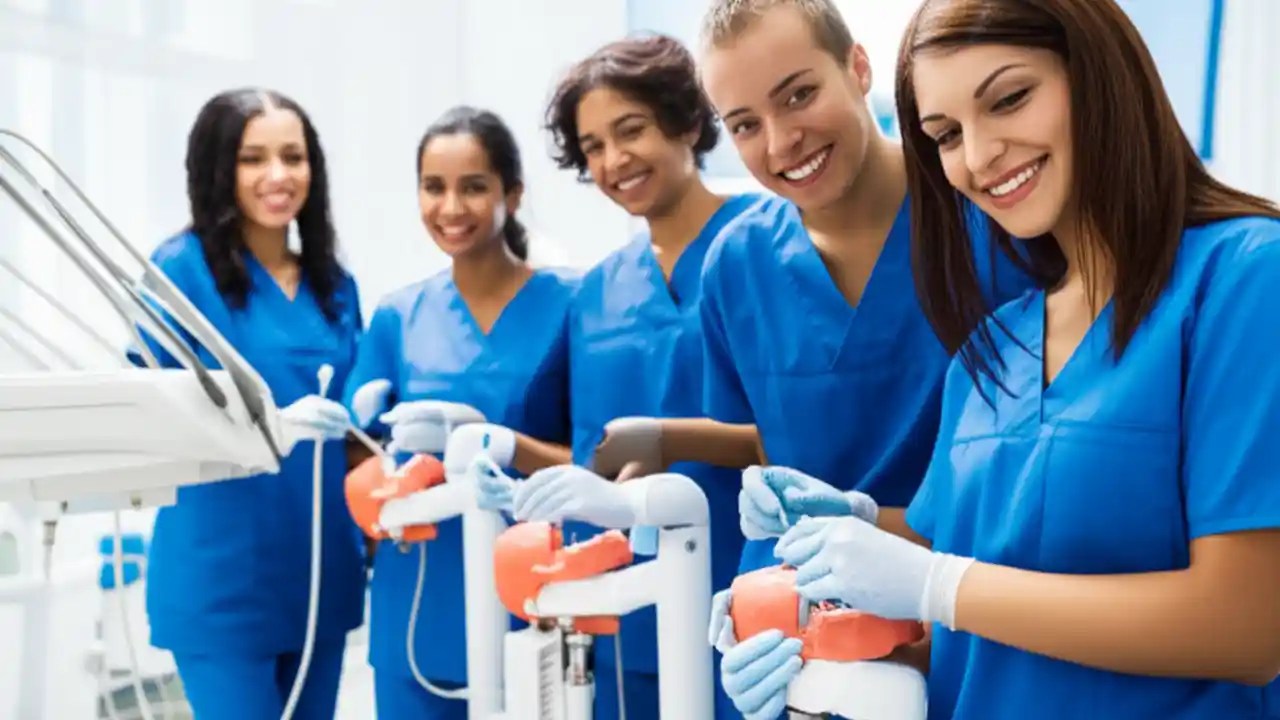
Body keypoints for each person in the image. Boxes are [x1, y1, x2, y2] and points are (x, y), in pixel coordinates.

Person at [715, 1, 1280, 719]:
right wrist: (801, 645)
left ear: (1100, 72)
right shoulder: (992, 351)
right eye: (945, 135)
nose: (979, 158)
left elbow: (1245, 626)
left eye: (1010, 98)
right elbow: (965, 637)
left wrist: (936, 584)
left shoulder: (1244, 280)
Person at [693, 0, 1033, 574]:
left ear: (858, 68)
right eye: (745, 124)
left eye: (799, 95)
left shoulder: (993, 216)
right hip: (804, 609)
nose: (780, 144)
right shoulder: (735, 266)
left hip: (976, 589)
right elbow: (758, 445)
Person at [517, 33, 764, 720]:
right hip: (629, 611)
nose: (612, 160)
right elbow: (584, 456)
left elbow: (811, 433)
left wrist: (676, 438)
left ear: (687, 122)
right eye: (593, 146)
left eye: (630, 131)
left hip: (750, 599)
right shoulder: (594, 294)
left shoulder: (768, 241)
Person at [132, 88, 366, 720]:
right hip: (222, 577)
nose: (279, 176)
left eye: (294, 156)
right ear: (218, 169)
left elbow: (355, 429)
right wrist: (265, 427)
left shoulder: (334, 287)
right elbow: (147, 414)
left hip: (320, 571)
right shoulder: (180, 273)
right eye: (253, 158)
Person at [340, 105, 577, 719]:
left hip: (531, 595)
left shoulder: (570, 306)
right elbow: (359, 460)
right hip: (416, 601)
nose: (451, 208)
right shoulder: (397, 318)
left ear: (513, 194)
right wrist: (378, 481)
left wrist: (499, 443)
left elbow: (591, 460)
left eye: (473, 187)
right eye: (433, 187)